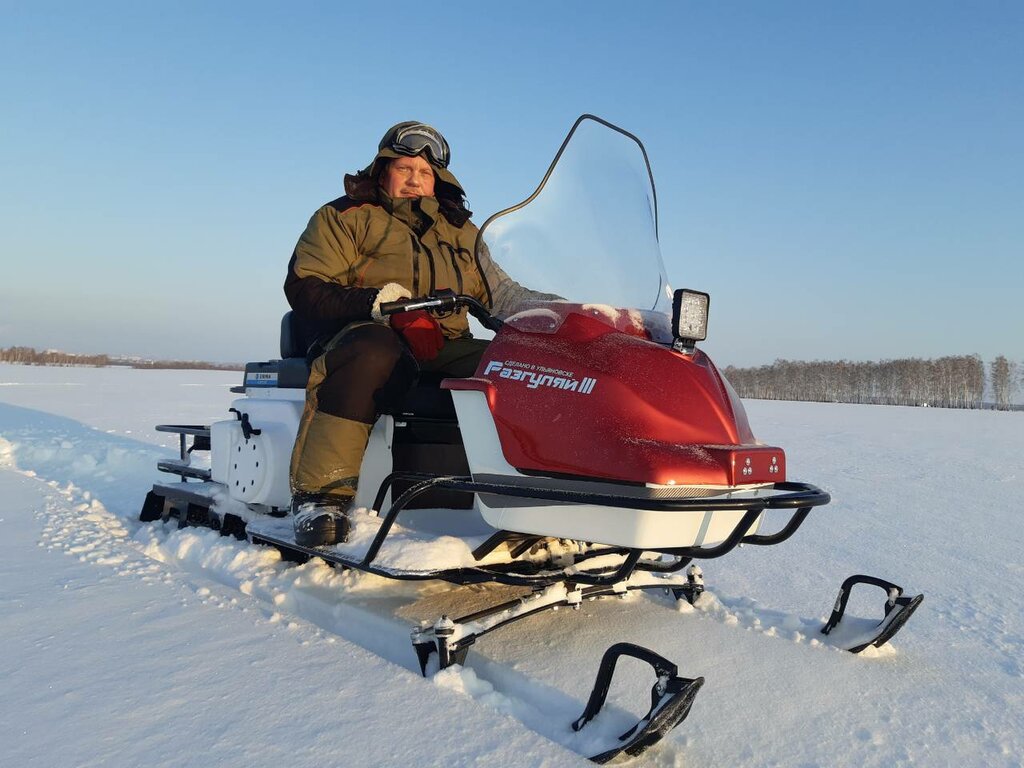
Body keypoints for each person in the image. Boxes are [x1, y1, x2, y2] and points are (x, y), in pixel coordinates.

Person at [284, 121, 538, 547]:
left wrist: (565, 312)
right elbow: (305, 283)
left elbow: (503, 295)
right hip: (364, 335)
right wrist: (377, 303)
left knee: (520, 366)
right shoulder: (347, 216)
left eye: (424, 172)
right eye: (405, 169)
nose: (415, 180)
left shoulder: (462, 232)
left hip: (443, 345)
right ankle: (321, 497)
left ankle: (536, 494)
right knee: (372, 351)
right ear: (383, 170)